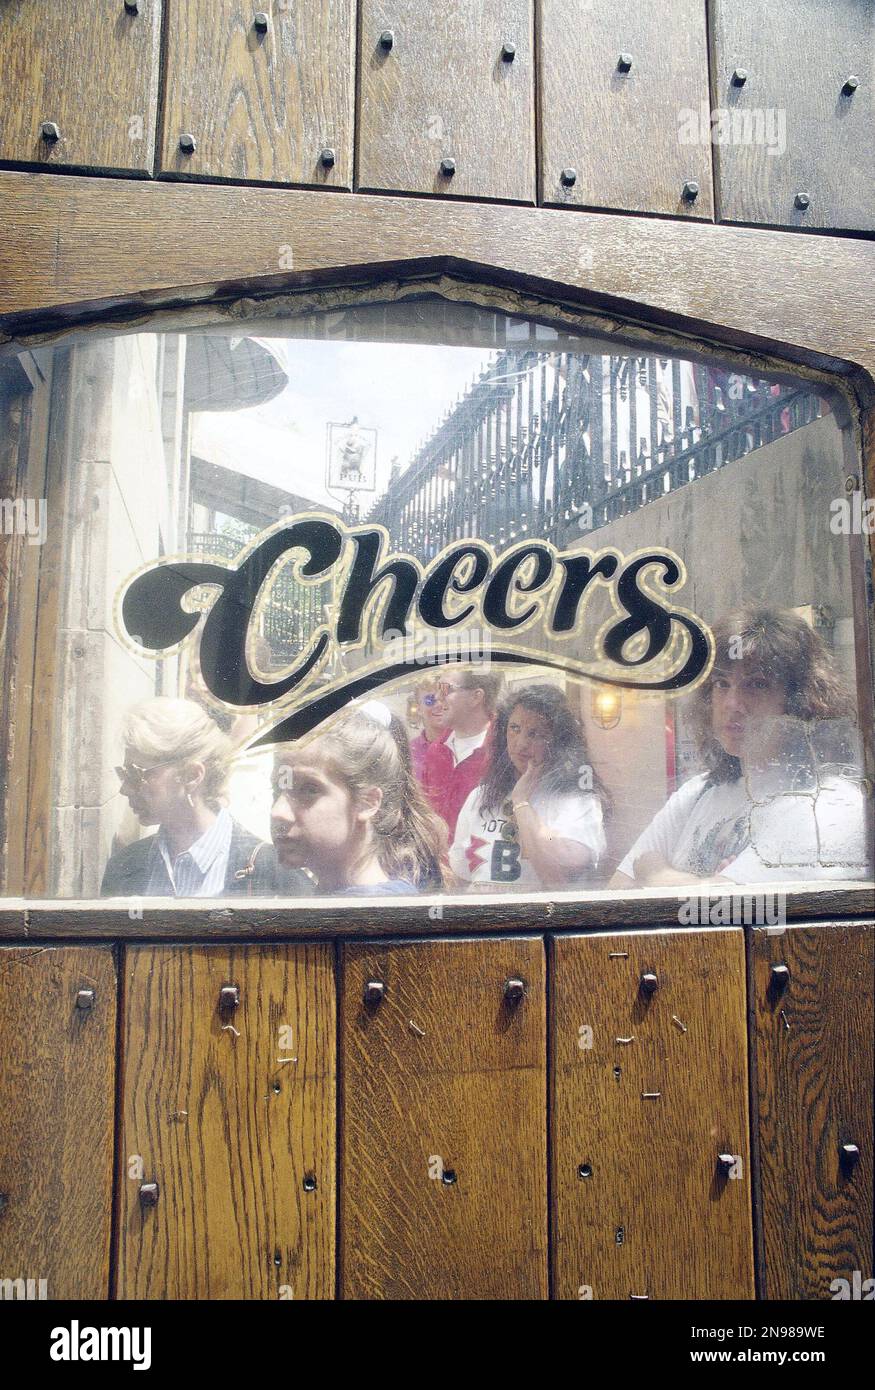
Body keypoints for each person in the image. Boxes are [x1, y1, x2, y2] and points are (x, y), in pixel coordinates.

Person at [610, 606, 872, 887]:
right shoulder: (699, 792)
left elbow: (726, 913)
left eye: (757, 685)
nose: (732, 704)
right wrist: (702, 883)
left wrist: (654, 873)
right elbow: (617, 891)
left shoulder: (826, 802)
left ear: (801, 701)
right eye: (721, 684)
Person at [101, 697, 309, 897]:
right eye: (124, 774)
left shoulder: (275, 874)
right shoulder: (123, 868)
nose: (125, 789)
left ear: (192, 776)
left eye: (137, 774)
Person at [270, 704, 449, 896]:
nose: (278, 812)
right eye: (277, 790)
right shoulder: (338, 903)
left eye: (309, 790)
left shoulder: (381, 915)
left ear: (368, 802)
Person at [450, 683, 607, 891]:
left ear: (558, 742)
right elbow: (461, 879)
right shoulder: (479, 797)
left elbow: (557, 878)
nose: (521, 743)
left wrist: (521, 803)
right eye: (515, 728)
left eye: (535, 734)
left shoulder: (578, 801)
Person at [421, 667, 501, 838]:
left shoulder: (503, 749)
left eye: (445, 688)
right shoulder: (435, 751)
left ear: (476, 697)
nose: (436, 697)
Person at [408, 675, 448, 782]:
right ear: (419, 708)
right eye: (430, 700)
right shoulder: (408, 753)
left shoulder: (469, 743)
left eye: (444, 697)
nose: (439, 704)